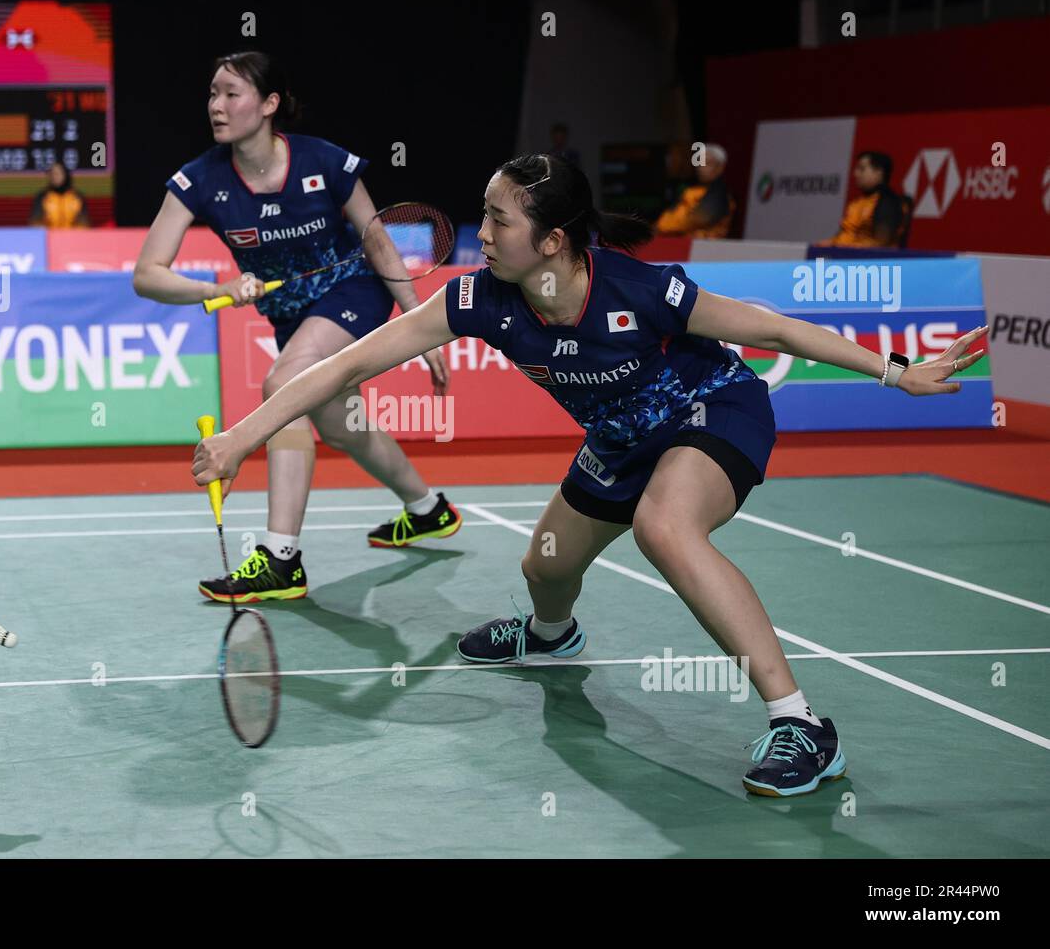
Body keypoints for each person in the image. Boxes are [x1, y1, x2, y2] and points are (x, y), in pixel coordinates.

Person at [192, 151, 988, 796]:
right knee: (545, 567)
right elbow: (342, 368)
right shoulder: (480, 301)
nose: (484, 230)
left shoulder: (640, 290)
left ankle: (802, 724)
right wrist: (241, 436)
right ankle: (550, 638)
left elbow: (774, 327)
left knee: (664, 527)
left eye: (499, 219)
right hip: (619, 438)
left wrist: (896, 371)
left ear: (553, 241)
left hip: (710, 411)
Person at [134, 51, 460, 603]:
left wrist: (415, 316)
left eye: (231, 93)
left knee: (283, 384)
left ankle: (281, 559)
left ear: (268, 104)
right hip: (293, 317)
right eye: (212, 93)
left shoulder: (325, 162)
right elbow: (148, 274)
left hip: (355, 292)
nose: (216, 105)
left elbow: (377, 238)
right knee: (339, 427)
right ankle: (428, 510)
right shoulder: (200, 180)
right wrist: (216, 290)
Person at [819, 151, 907, 248]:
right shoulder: (856, 203)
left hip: (866, 261)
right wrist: (830, 243)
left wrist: (847, 248)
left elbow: (881, 244)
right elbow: (844, 234)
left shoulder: (888, 202)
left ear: (878, 172)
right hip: (840, 258)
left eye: (862, 169)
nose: (855, 174)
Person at [654, 142, 733, 239]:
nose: (701, 168)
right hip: (676, 242)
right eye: (699, 163)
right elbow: (670, 214)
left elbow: (696, 220)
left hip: (704, 248)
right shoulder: (691, 191)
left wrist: (664, 226)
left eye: (707, 163)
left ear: (720, 167)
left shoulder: (719, 196)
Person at [29, 161, 90, 228]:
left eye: (58, 173)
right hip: (50, 236)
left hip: (72, 236)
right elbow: (35, 222)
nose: (55, 177)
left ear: (65, 175)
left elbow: (83, 222)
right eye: (52, 174)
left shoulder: (76, 196)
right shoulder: (42, 197)